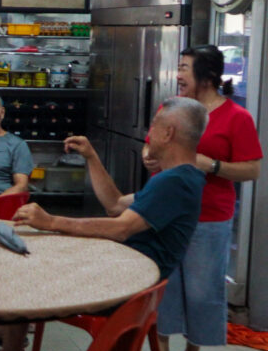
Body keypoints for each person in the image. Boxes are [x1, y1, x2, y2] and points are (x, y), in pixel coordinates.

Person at [150, 46, 262, 351]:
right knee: (163, 285)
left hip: (210, 216)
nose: (178, 75)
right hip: (165, 212)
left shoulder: (236, 117)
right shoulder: (171, 108)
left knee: (202, 290)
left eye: (184, 68)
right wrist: (149, 155)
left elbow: (252, 169)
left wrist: (209, 164)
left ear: (208, 76)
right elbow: (150, 144)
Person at [13, 97, 207, 283]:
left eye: (154, 125)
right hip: (128, 273)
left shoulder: (173, 182)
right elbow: (115, 205)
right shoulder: (185, 178)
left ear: (168, 133)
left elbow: (121, 228)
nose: (149, 133)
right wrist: (91, 156)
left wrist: (51, 221)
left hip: (128, 283)